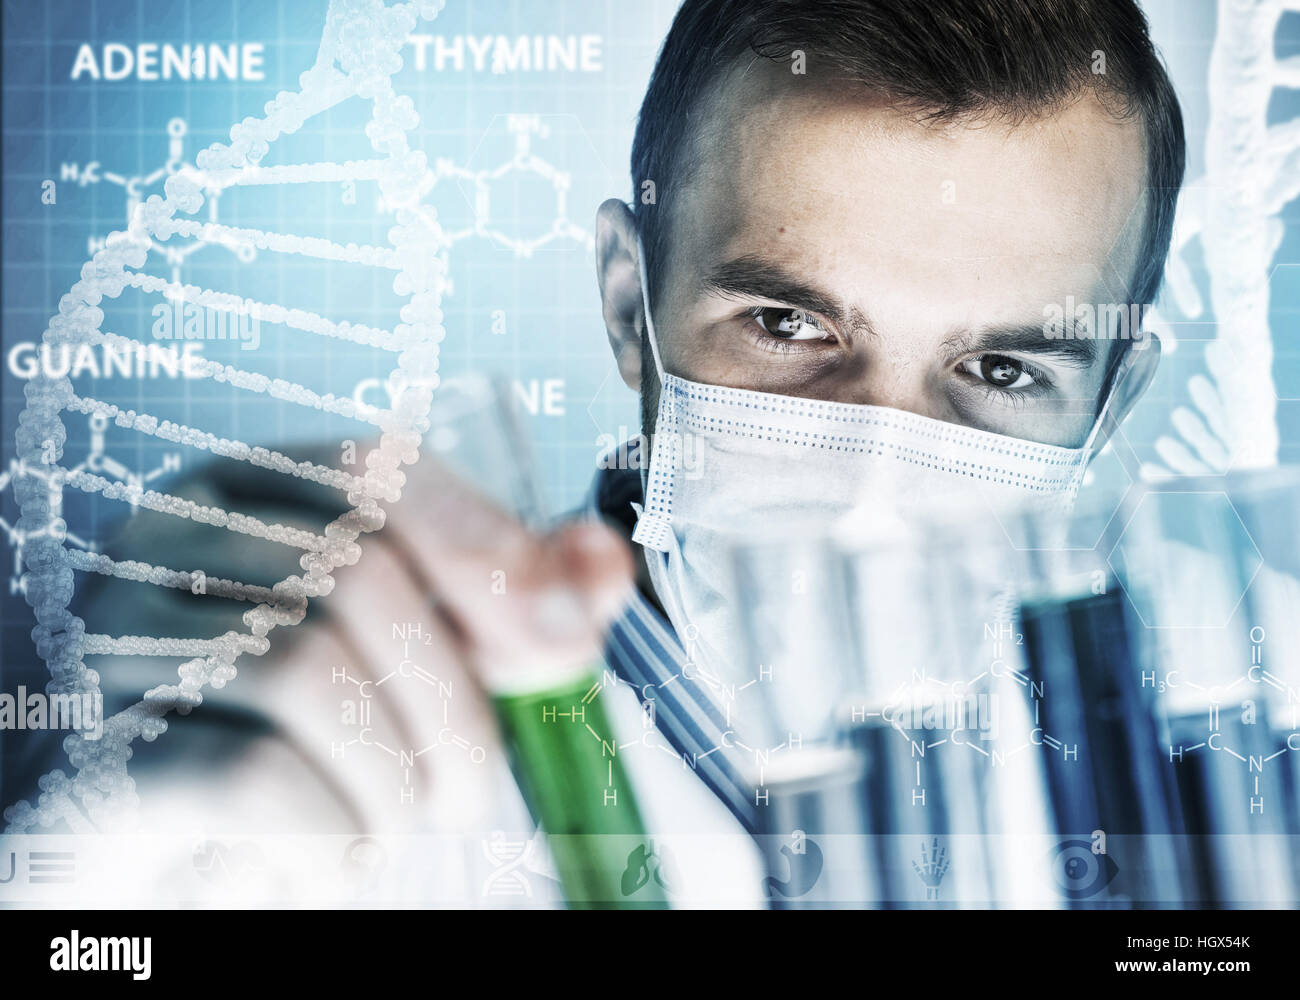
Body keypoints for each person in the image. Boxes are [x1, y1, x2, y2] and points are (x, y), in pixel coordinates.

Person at [28, 0, 1186, 903]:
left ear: (1114, 401)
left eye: (1001, 371)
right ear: (629, 303)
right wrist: (100, 843)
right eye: (788, 326)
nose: (878, 479)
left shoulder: (1223, 760)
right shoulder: (391, 738)